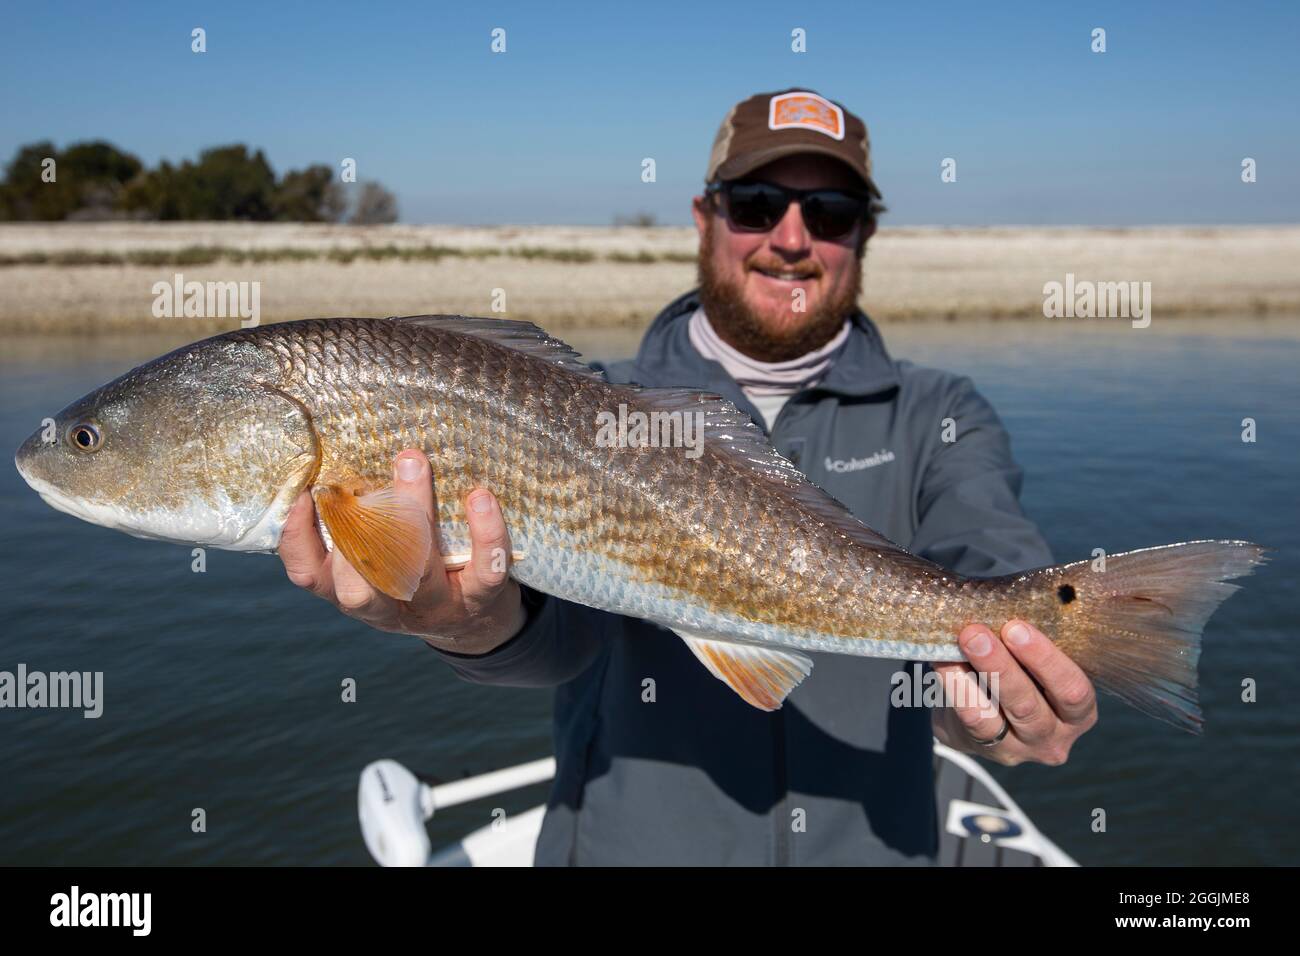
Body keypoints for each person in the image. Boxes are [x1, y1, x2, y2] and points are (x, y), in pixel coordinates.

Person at [279, 89, 1098, 865]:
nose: (789, 237)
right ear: (705, 216)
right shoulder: (579, 408)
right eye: (754, 203)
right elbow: (560, 635)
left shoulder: (938, 411)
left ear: (865, 235)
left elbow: (986, 553)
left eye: (831, 212)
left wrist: (1002, 694)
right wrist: (467, 625)